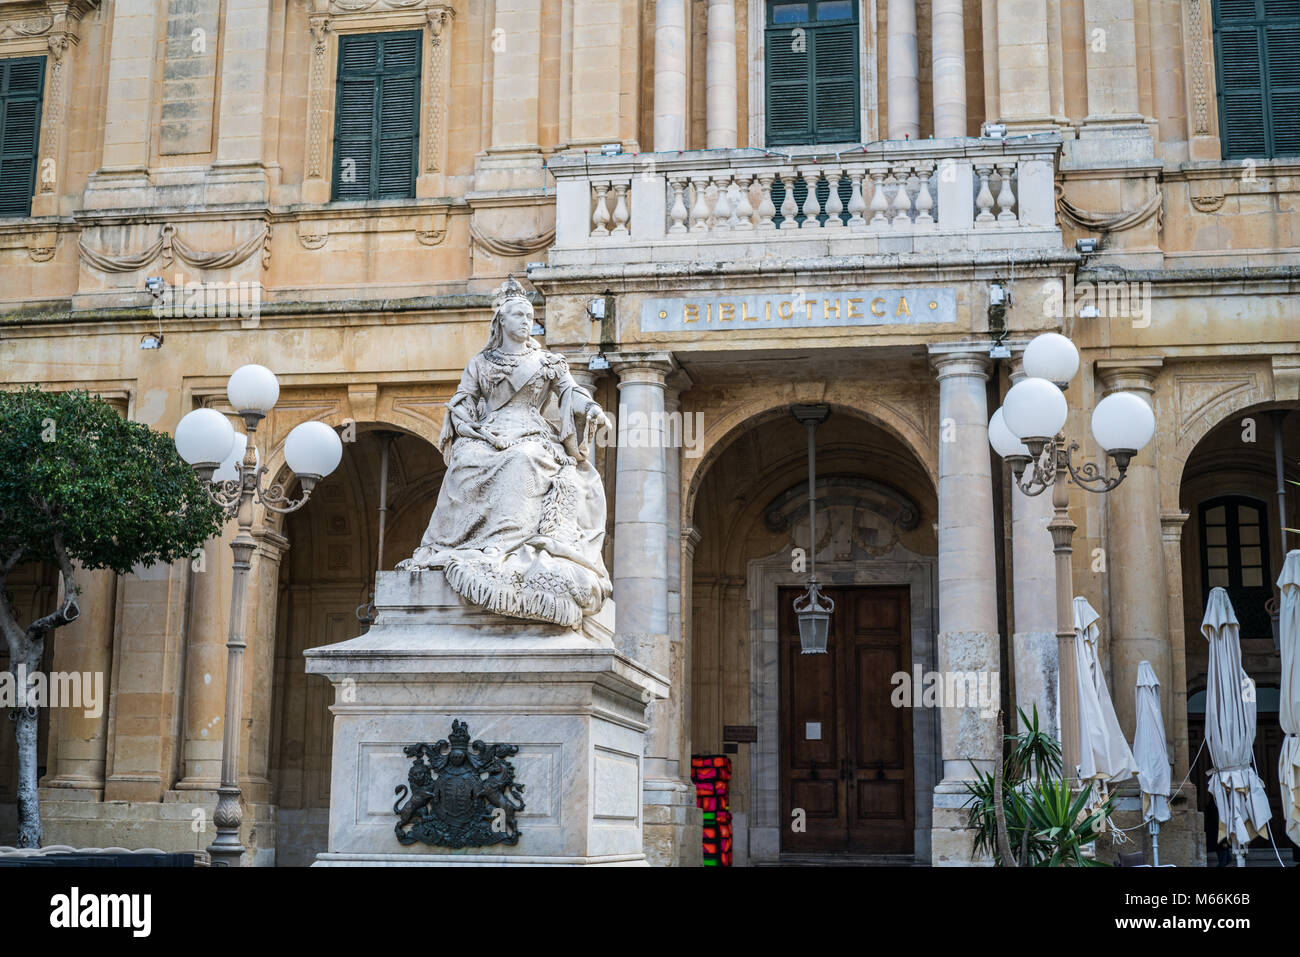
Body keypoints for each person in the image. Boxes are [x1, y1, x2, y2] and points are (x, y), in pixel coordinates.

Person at [399, 276, 613, 629]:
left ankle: (504, 545)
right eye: (517, 315)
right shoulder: (481, 363)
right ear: (501, 322)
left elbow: (570, 392)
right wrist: (465, 420)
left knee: (524, 459)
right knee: (465, 462)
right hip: (490, 431)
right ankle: (462, 544)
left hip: (531, 432)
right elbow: (464, 401)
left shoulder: (548, 362)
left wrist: (590, 410)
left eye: (529, 316)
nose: (525, 321)